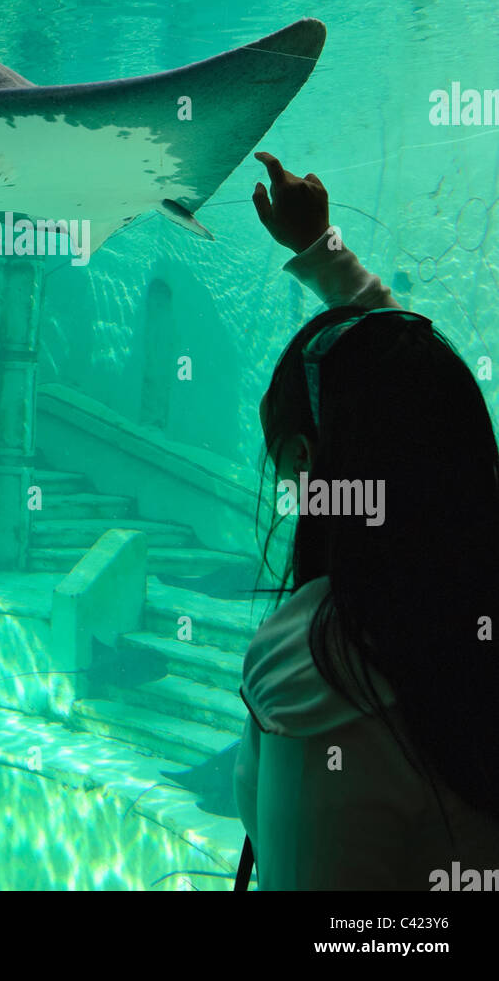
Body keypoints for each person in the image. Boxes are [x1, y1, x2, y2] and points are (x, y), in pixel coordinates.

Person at [233, 151, 499, 890]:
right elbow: (414, 389)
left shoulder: (320, 672)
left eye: (287, 471)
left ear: (307, 463)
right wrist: (324, 253)